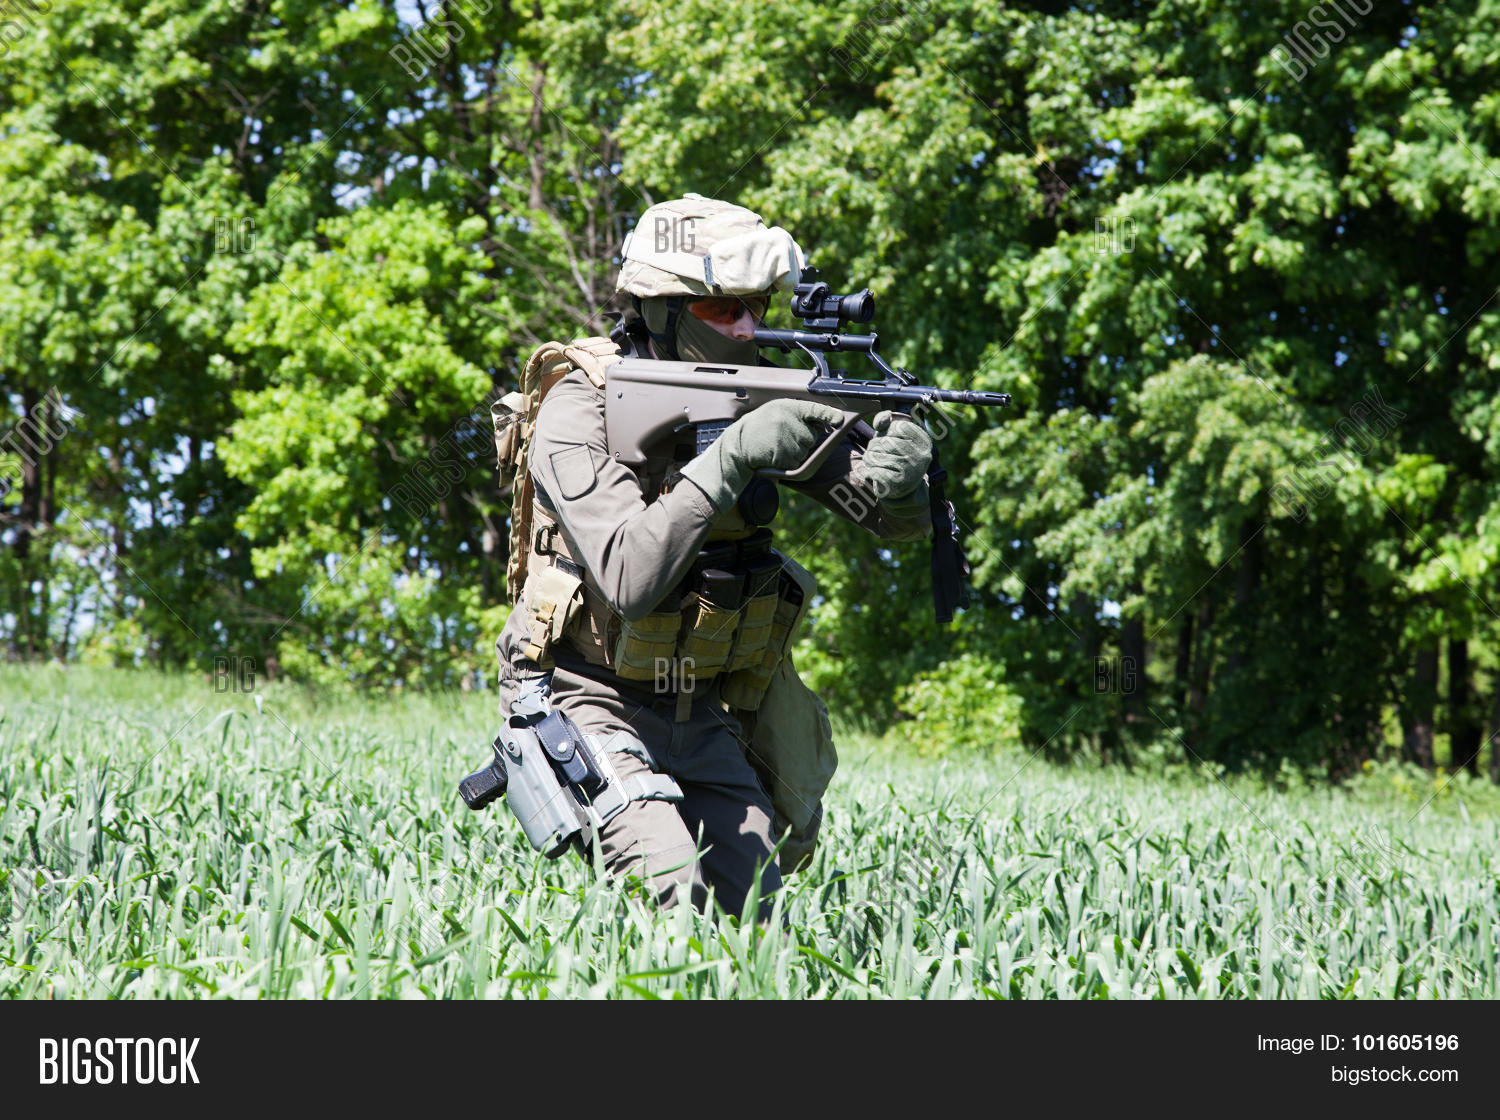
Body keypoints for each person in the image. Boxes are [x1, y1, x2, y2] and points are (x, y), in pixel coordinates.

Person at [492, 192, 934, 919]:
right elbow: (631, 576)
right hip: (585, 695)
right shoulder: (580, 408)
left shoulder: (762, 393)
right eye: (723, 310)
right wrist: (736, 454)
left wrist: (903, 467)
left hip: (699, 706)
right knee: (672, 891)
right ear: (658, 309)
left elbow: (886, 520)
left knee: (758, 914)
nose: (749, 327)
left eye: (758, 306)